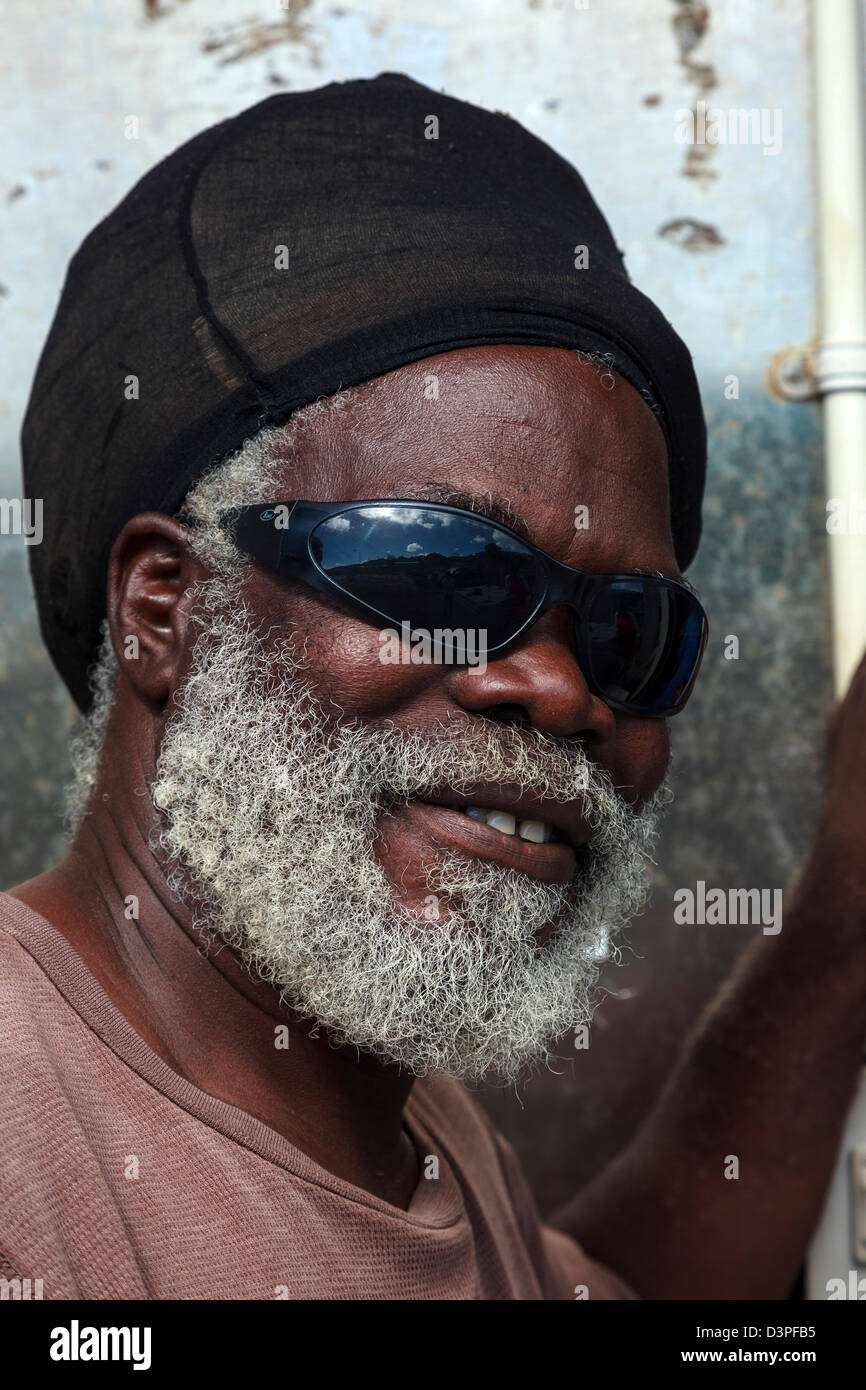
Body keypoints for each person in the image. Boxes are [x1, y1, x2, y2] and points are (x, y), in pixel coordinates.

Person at [3, 74, 864, 1301]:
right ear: (165, 610)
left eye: (630, 629)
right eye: (443, 570)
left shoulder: (398, 1118)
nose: (562, 690)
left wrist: (845, 896)